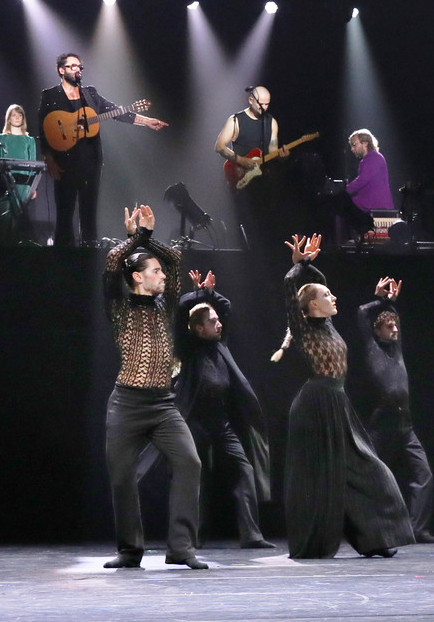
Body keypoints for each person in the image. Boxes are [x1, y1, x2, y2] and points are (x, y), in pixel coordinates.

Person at [275, 234, 414, 559]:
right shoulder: (305, 326)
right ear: (310, 307)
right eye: (326, 295)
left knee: (367, 469)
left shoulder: (329, 325)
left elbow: (318, 283)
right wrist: (299, 267)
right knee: (318, 478)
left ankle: (374, 538)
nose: (333, 296)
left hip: (338, 404)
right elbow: (292, 292)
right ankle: (316, 542)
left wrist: (312, 267)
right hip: (314, 405)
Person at [102, 205, 204, 569]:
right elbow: (113, 263)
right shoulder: (119, 306)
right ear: (137, 278)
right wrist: (135, 240)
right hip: (127, 403)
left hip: (163, 405)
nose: (161, 275)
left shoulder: (167, 303)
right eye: (154, 272)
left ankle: (180, 548)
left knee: (189, 463)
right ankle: (130, 550)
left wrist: (146, 238)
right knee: (122, 475)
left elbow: (175, 259)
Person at [159, 270, 274, 549]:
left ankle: (251, 535)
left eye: (218, 320)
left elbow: (226, 307)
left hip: (221, 423)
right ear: (198, 328)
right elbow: (181, 308)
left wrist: (210, 294)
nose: (219, 324)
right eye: (212, 322)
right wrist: (198, 294)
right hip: (193, 421)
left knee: (244, 469)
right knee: (194, 476)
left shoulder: (221, 344)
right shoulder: (187, 347)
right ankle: (193, 536)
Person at [37, 53, 168, 247]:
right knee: (65, 213)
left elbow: (116, 112)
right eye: (72, 66)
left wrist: (146, 121)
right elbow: (43, 127)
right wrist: (49, 157)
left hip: (91, 160)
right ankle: (62, 257)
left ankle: (88, 254)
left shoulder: (90, 94)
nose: (77, 70)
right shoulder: (50, 95)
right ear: (61, 70)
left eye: (80, 67)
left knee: (89, 211)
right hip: (64, 161)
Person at [353, 277, 434, 544]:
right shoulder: (371, 349)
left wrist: (390, 304)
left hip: (406, 426)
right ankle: (372, 529)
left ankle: (417, 530)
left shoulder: (397, 350)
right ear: (376, 330)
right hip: (382, 427)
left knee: (424, 475)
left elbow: (395, 318)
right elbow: (361, 314)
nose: (394, 329)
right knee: (375, 479)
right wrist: (379, 299)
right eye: (388, 326)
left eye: (395, 325)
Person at [215, 86, 288, 248]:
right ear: (251, 100)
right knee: (244, 226)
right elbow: (220, 146)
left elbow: (272, 152)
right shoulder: (235, 120)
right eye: (260, 104)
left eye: (267, 104)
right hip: (240, 180)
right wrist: (241, 160)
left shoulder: (271, 122)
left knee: (265, 228)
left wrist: (281, 157)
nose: (263, 108)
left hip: (263, 183)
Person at [0, 103, 40, 240]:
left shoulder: (29, 140)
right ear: (9, 118)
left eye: (20, 115)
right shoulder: (0, 139)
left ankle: (15, 243)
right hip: (5, 181)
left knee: (19, 214)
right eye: (14, 115)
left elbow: (33, 164)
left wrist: (33, 186)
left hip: (24, 183)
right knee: (4, 213)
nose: (17, 118)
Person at [345, 129, 393, 212]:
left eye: (354, 145)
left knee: (341, 205)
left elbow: (363, 179)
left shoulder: (374, 157)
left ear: (365, 143)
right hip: (370, 200)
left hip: (375, 201)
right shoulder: (370, 158)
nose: (352, 149)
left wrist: (345, 191)